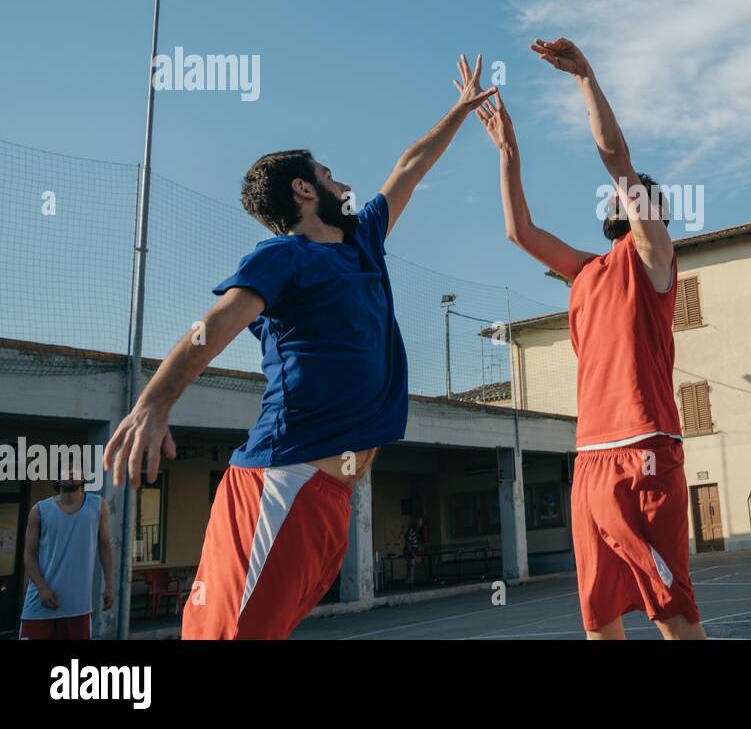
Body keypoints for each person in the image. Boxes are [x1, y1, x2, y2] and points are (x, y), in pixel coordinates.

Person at [103, 56, 496, 639]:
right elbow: (214, 323)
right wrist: (154, 403)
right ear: (304, 189)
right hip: (280, 484)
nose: (345, 185)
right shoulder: (284, 257)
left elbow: (410, 166)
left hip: (329, 500)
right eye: (331, 175)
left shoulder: (363, 241)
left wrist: (460, 110)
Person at [476, 38, 705, 640]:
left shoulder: (651, 256)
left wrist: (585, 79)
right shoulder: (585, 272)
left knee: (672, 612)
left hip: (647, 447)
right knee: (599, 617)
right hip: (593, 459)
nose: (615, 195)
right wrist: (509, 152)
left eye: (628, 195)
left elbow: (616, 159)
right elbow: (519, 231)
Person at [20, 467, 113, 640]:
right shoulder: (39, 510)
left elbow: (105, 547)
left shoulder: (98, 505)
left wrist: (109, 586)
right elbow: (29, 554)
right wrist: (42, 588)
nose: (71, 473)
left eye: (76, 470)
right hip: (41, 603)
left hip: (79, 606)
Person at [404, 515, 427, 586]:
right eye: (419, 523)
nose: (420, 525)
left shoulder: (416, 531)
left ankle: (409, 581)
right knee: (411, 565)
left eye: (421, 523)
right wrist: (412, 553)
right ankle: (410, 582)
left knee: (411, 566)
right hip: (409, 551)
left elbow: (416, 542)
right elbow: (408, 544)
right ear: (416, 523)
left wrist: (418, 548)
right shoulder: (410, 531)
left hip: (413, 550)